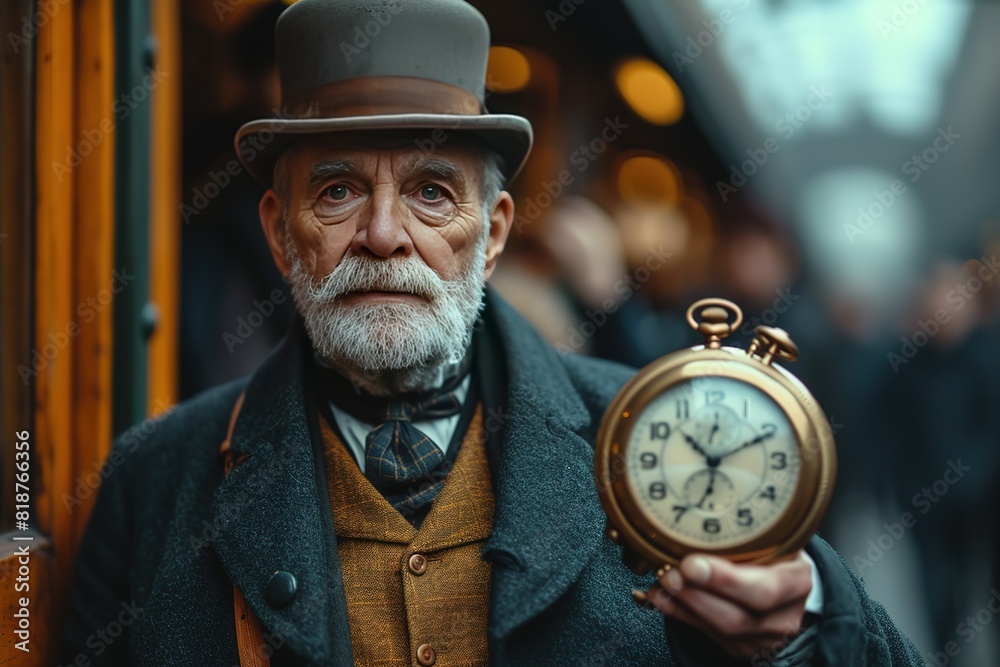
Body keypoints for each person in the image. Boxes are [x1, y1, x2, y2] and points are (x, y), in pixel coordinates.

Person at [63, 1, 923, 664]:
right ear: (280, 232)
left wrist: (805, 614)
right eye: (336, 192)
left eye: (433, 191)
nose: (385, 234)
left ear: (497, 231)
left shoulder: (656, 446)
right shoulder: (156, 485)